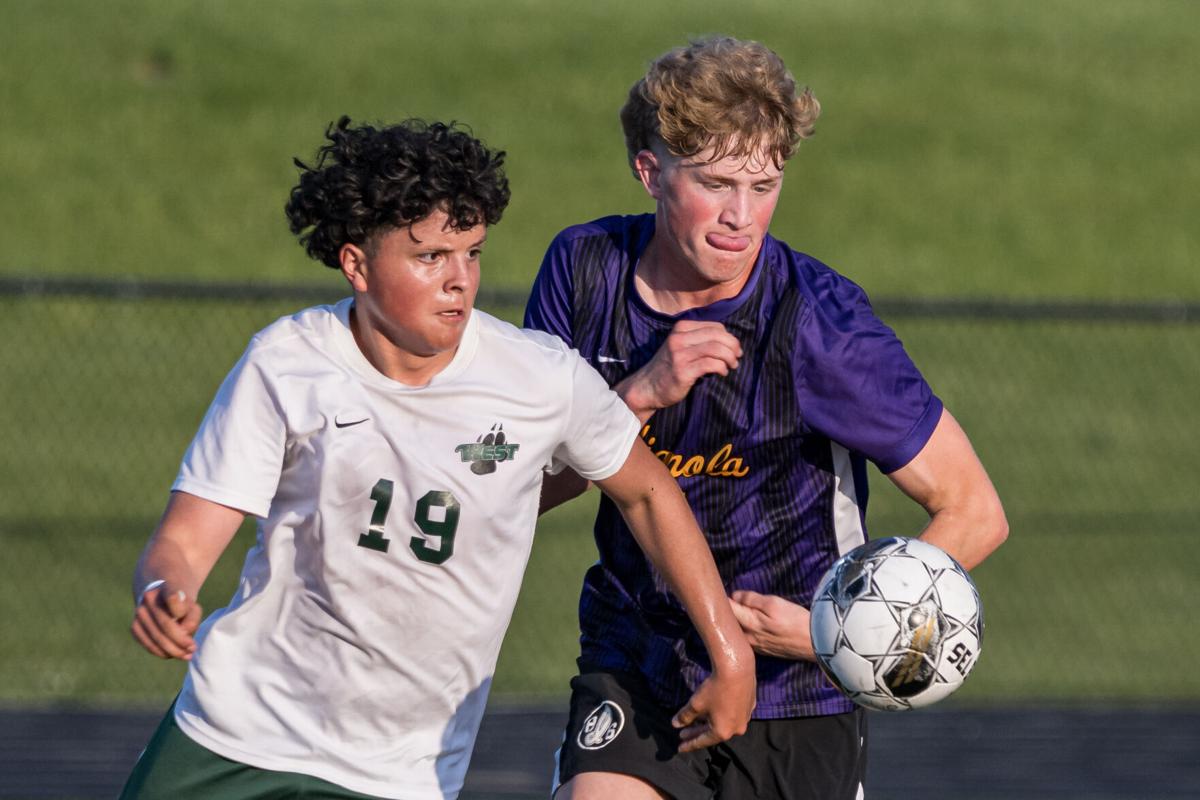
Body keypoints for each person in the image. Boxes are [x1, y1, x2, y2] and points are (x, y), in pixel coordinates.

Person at [120, 117, 755, 800]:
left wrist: (730, 652)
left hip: (401, 773)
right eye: (430, 257)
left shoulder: (539, 377)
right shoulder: (287, 363)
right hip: (234, 735)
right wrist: (164, 592)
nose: (460, 281)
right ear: (357, 264)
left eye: (471, 253)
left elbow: (648, 493)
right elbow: (185, 541)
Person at [525, 37, 1009, 799]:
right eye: (716, 183)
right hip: (638, 662)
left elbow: (974, 511)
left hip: (797, 698)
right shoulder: (585, 272)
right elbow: (523, 490)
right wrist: (636, 398)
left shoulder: (819, 321)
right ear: (650, 172)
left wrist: (830, 631)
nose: (740, 216)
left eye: (763, 185)